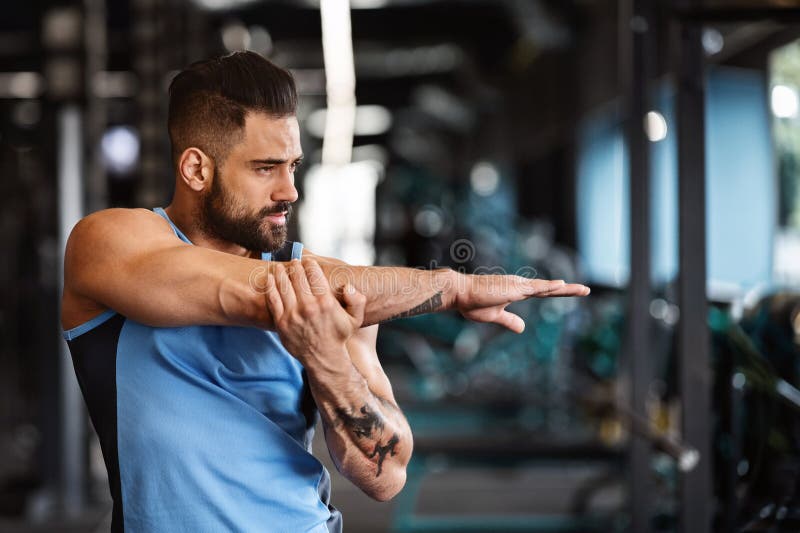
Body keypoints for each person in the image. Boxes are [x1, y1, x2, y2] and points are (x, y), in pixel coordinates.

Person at [61, 51, 590, 533]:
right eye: (265, 168)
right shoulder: (111, 243)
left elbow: (384, 477)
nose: (290, 191)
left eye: (292, 167)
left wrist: (327, 359)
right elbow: (247, 294)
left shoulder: (345, 291)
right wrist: (450, 287)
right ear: (197, 168)